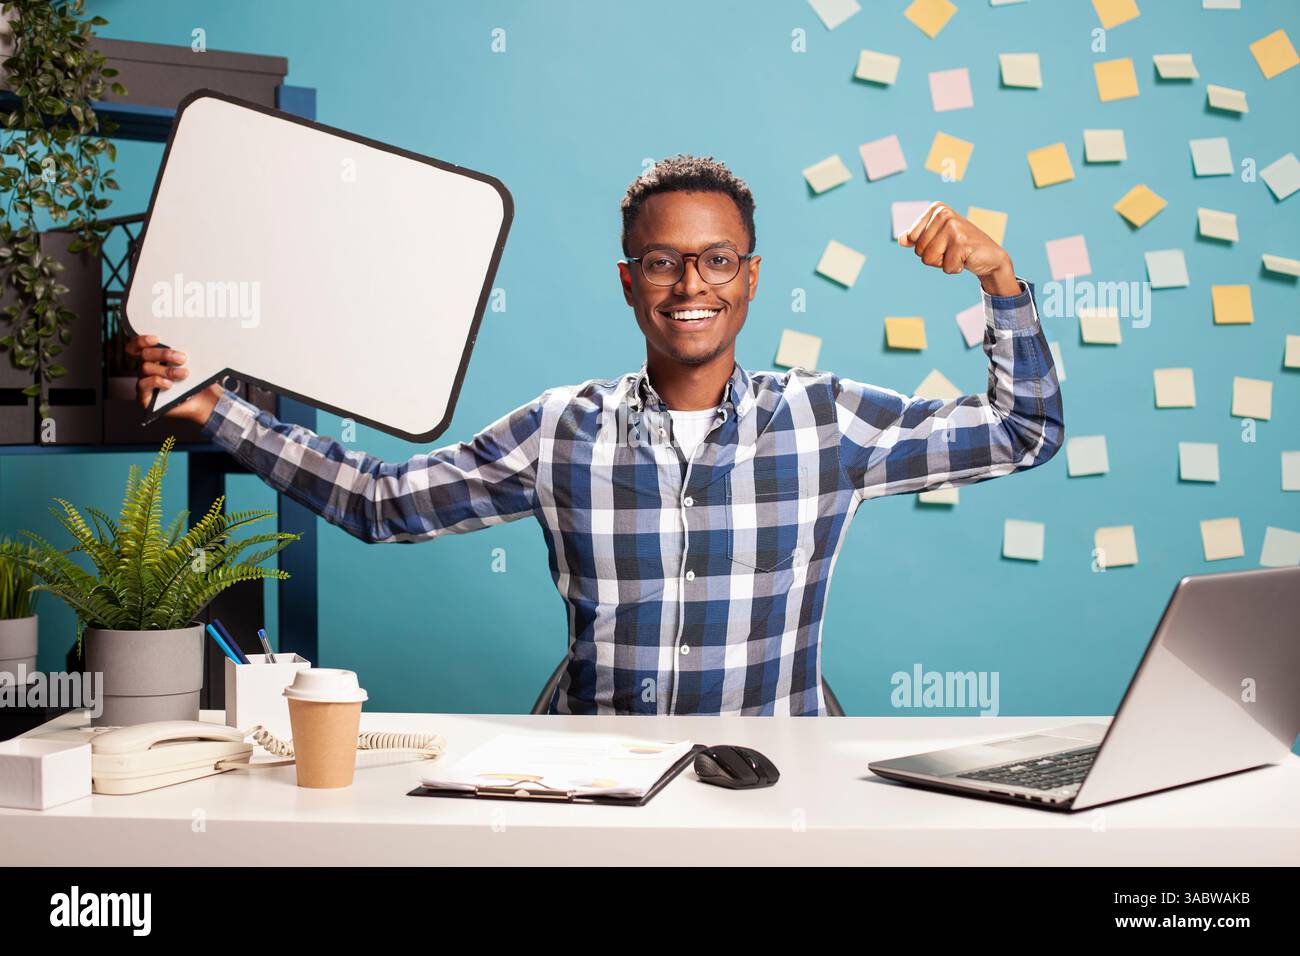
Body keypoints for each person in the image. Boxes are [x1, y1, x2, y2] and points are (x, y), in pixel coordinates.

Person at [127, 155, 1064, 716]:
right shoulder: (558, 430)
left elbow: (1024, 430)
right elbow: (384, 505)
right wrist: (220, 412)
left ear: (750, 276)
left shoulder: (829, 424)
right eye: (663, 262)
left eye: (716, 260)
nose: (690, 285)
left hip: (783, 775)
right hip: (595, 783)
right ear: (630, 281)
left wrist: (1001, 280)